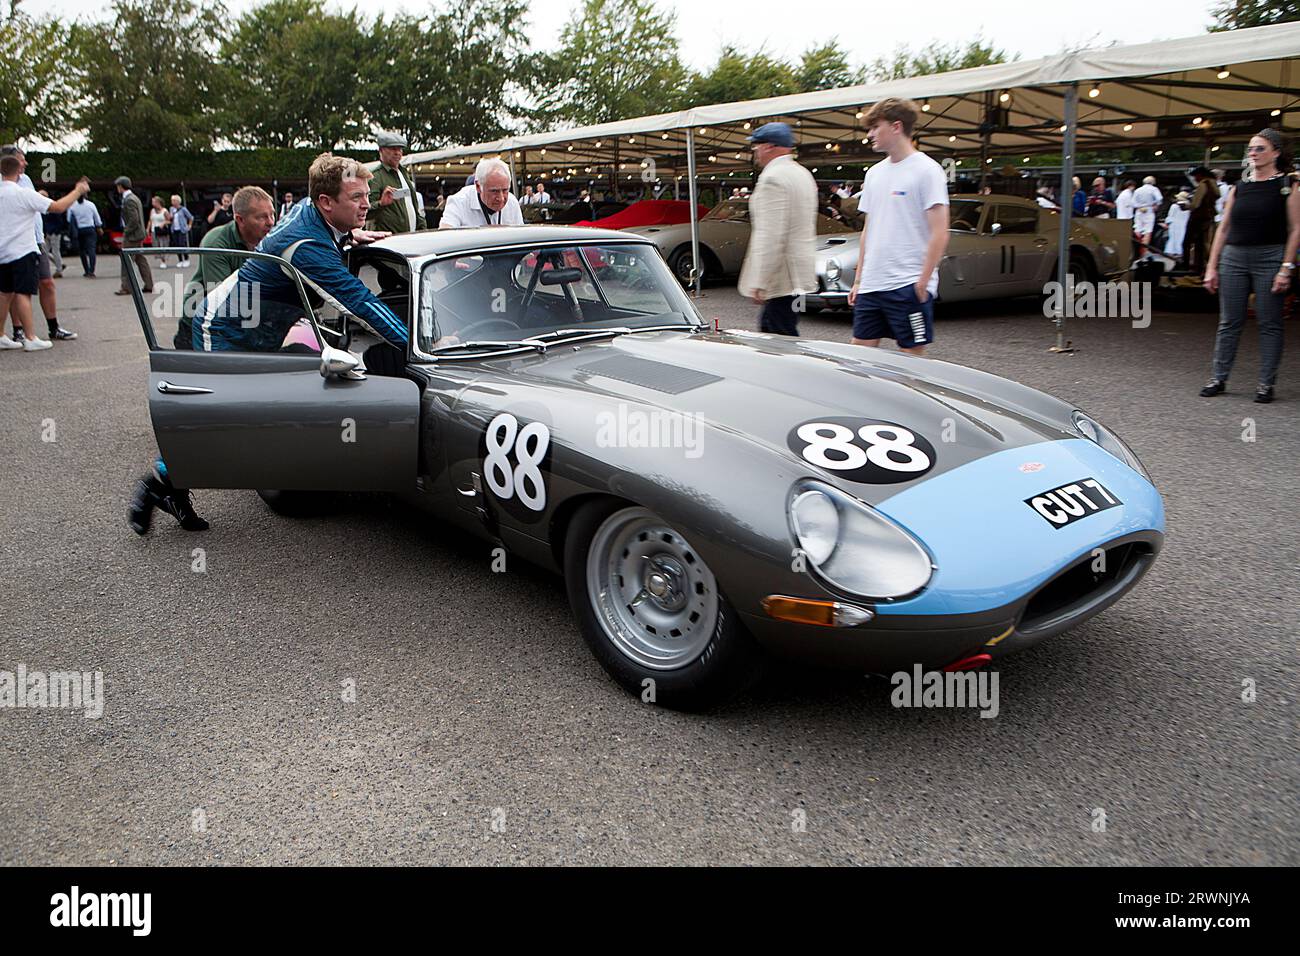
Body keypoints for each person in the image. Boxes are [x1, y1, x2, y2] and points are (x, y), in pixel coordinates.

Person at [192, 153, 404, 352]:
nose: (366, 204)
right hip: (221, 327)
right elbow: (360, 302)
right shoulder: (307, 247)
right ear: (326, 202)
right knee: (232, 390)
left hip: (259, 322)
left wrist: (346, 234)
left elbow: (317, 226)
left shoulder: (309, 208)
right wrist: (413, 344)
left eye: (367, 195)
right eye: (356, 197)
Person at [1200, 129, 1299, 404]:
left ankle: (1266, 383)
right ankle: (1218, 377)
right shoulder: (1239, 187)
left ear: (1276, 152)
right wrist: (1212, 267)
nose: (1253, 153)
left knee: (1269, 322)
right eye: (1251, 149)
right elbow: (1223, 229)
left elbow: (1295, 229)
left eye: (1260, 148)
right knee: (1229, 321)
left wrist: (1286, 267)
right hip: (1234, 256)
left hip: (1270, 257)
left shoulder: (1288, 185)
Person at [847, 98, 949, 356]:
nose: (869, 134)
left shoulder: (927, 170)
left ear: (896, 126)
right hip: (872, 284)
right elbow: (868, 230)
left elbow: (940, 231)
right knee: (858, 359)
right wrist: (859, 279)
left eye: (875, 127)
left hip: (907, 284)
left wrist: (923, 281)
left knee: (911, 361)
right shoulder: (874, 174)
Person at [737, 122, 817, 337]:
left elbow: (771, 235)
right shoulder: (802, 174)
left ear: (769, 146)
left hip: (781, 275)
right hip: (799, 274)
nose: (755, 152)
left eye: (756, 147)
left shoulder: (772, 178)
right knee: (784, 329)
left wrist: (761, 281)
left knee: (777, 338)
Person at [173, 185, 276, 349]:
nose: (271, 222)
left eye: (272, 215)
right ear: (240, 219)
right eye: (262, 217)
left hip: (248, 320)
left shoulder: (271, 240)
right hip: (204, 323)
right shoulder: (216, 242)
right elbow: (224, 300)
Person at [0, 157, 87, 352]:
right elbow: (58, 207)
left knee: (5, 293)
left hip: (3, 251)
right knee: (23, 293)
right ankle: (30, 337)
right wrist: (78, 191)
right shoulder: (24, 194)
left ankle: (1, 335)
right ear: (18, 172)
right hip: (22, 249)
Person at [366, 132, 426, 234]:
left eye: (400, 149)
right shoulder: (375, 176)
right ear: (381, 150)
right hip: (389, 240)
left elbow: (413, 206)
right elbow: (365, 211)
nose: (398, 153)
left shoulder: (403, 173)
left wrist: (423, 229)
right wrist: (381, 204)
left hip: (411, 237)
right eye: (393, 149)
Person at [439, 158, 525, 228]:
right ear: (478, 186)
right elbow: (445, 235)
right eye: (494, 191)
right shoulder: (458, 202)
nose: (501, 198)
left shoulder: (512, 202)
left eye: (505, 190)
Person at [113, 176, 153, 295]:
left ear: (121, 186)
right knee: (141, 259)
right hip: (138, 234)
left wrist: (126, 231)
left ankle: (126, 287)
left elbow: (133, 219)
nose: (117, 188)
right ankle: (149, 284)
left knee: (127, 261)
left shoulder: (129, 199)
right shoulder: (134, 198)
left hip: (132, 235)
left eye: (118, 186)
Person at [1185, 167, 1218, 274]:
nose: (1195, 178)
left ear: (1200, 175)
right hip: (1208, 217)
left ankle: (1188, 265)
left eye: (1196, 175)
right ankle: (1201, 266)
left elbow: (1195, 204)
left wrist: (1187, 206)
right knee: (1203, 243)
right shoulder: (1213, 186)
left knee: (1188, 242)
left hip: (1198, 217)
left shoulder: (1203, 185)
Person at [68, 190, 102, 276]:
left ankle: (86, 270)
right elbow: (96, 217)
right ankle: (92, 270)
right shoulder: (91, 205)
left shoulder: (72, 206)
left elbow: (69, 219)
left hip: (79, 230)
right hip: (90, 228)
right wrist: (99, 226)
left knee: (82, 251)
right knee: (91, 249)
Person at [1132, 175, 1163, 251]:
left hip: (1139, 210)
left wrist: (1139, 207)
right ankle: (1144, 250)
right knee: (1148, 231)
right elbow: (1160, 199)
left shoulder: (1138, 190)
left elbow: (1133, 202)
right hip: (1149, 209)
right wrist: (1156, 205)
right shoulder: (1154, 189)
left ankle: (1136, 248)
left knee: (1138, 229)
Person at [39, 191, 66, 277]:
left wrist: (55, 231)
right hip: (47, 233)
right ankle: (60, 264)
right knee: (45, 251)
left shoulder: (52, 206)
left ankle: (59, 270)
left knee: (55, 251)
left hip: (54, 233)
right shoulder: (42, 207)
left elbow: (59, 221)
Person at [1162, 190, 1190, 260]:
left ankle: (1170, 252)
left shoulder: (1174, 206)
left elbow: (1170, 216)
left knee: (1172, 238)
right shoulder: (1188, 207)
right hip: (1183, 224)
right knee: (1181, 239)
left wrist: (1166, 223)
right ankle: (1179, 252)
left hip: (1174, 224)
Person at [168, 195, 194, 265]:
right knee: (176, 245)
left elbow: (191, 217)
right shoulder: (171, 209)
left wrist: (189, 225)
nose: (172, 202)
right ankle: (180, 260)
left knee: (182, 244)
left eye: (174, 200)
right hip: (174, 229)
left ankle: (186, 259)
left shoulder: (183, 209)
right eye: (172, 200)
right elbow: (170, 218)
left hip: (182, 229)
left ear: (178, 201)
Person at [149, 195, 171, 266]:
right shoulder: (152, 211)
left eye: (153, 202)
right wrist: (147, 229)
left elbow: (169, 220)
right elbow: (150, 220)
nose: (152, 203)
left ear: (158, 202)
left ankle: (163, 260)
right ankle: (160, 258)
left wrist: (163, 223)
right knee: (156, 245)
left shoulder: (164, 211)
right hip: (154, 230)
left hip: (162, 231)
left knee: (163, 245)